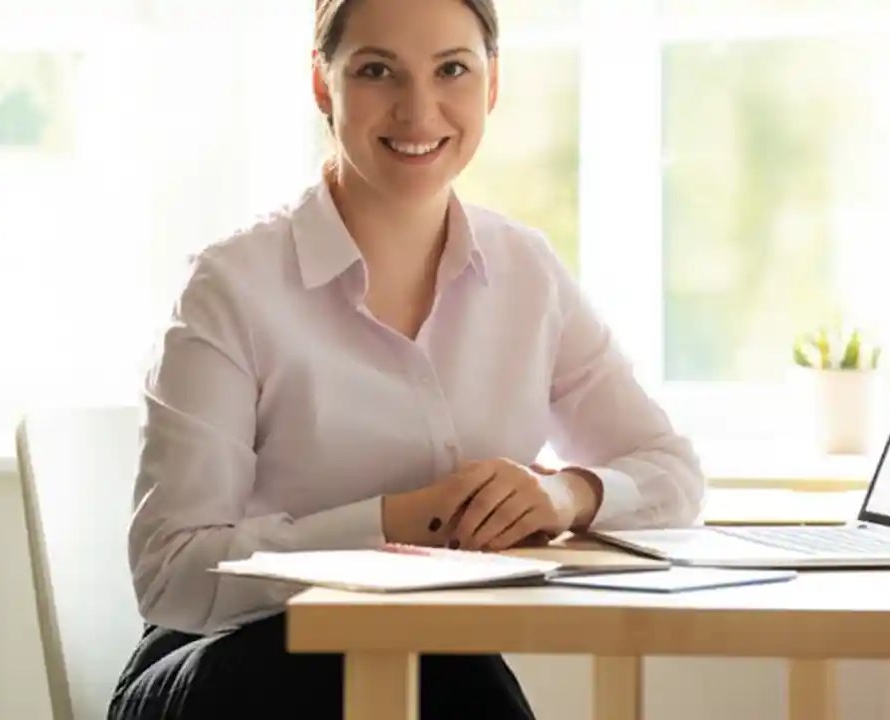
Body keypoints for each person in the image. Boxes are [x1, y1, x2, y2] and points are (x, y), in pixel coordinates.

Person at [108, 0, 705, 717]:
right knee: (441, 675)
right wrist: (405, 521)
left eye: (451, 69)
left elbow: (671, 474)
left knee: (439, 668)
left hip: (423, 660)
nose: (418, 111)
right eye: (376, 71)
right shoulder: (230, 287)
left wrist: (563, 495)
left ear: (490, 86)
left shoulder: (526, 272)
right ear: (324, 85)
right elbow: (172, 575)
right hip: (219, 663)